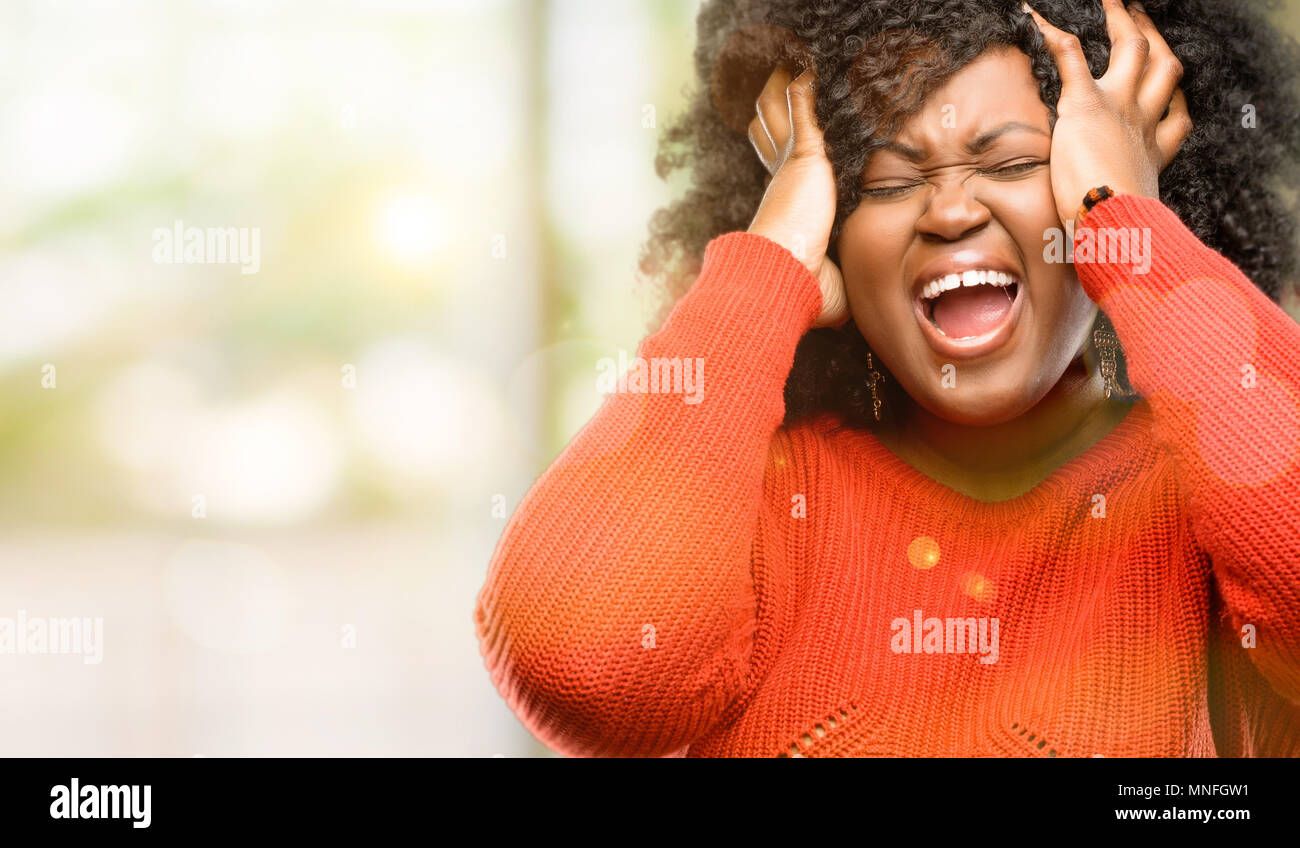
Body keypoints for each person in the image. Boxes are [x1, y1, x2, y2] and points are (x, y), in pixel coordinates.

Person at [475, 0, 1300, 757]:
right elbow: (580, 664)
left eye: (1014, 165)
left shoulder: (1208, 514)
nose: (948, 213)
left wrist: (1124, 222)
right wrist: (769, 267)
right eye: (888, 182)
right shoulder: (770, 510)